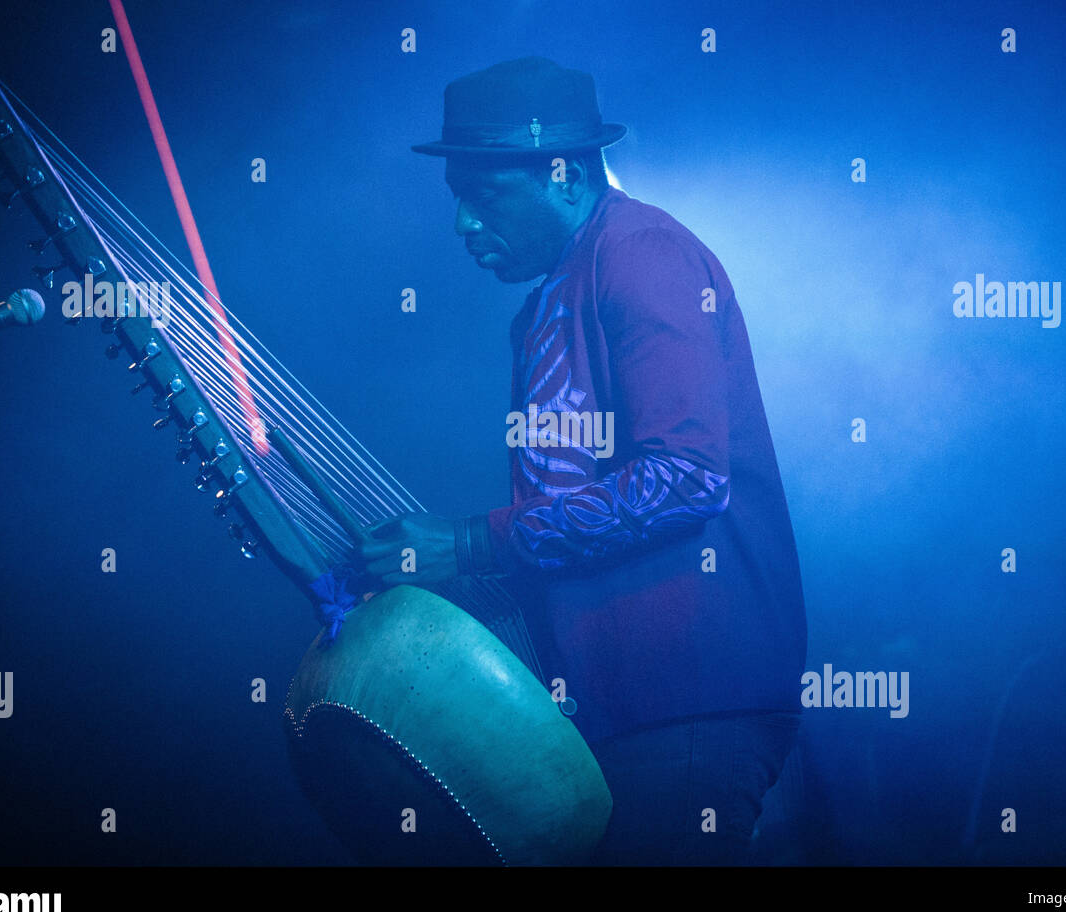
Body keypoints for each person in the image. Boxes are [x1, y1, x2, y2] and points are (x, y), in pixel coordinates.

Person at [313, 56, 808, 865]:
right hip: (597, 715)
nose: (464, 225)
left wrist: (468, 543)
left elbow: (686, 479)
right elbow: (567, 525)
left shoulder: (642, 253)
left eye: (486, 195)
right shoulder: (542, 307)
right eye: (457, 200)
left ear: (566, 173)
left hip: (687, 704)